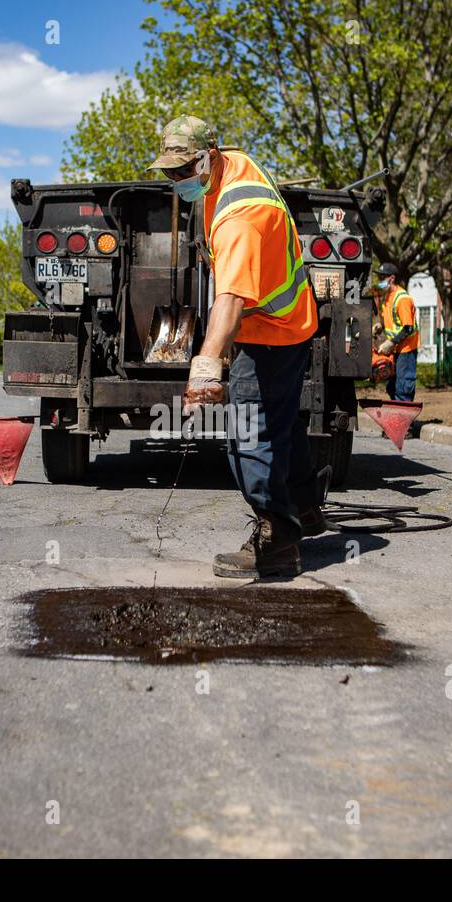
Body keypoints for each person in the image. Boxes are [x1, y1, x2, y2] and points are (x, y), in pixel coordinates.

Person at [148, 115, 325, 579]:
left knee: (248, 433)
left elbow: (229, 299)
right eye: (171, 173)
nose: (179, 180)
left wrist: (205, 367)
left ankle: (278, 539)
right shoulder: (231, 168)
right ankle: (305, 508)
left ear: (211, 155)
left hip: (270, 330)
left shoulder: (239, 217)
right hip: (291, 322)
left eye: (185, 169)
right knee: (281, 420)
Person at [373, 263, 418, 401]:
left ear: (391, 279)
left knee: (403, 387)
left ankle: (404, 421)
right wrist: (380, 326)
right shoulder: (387, 297)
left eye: (382, 278)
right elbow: (393, 321)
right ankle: (398, 418)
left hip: (406, 349)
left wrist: (391, 342)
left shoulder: (402, 298)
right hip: (395, 348)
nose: (379, 282)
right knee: (391, 386)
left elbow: (408, 328)